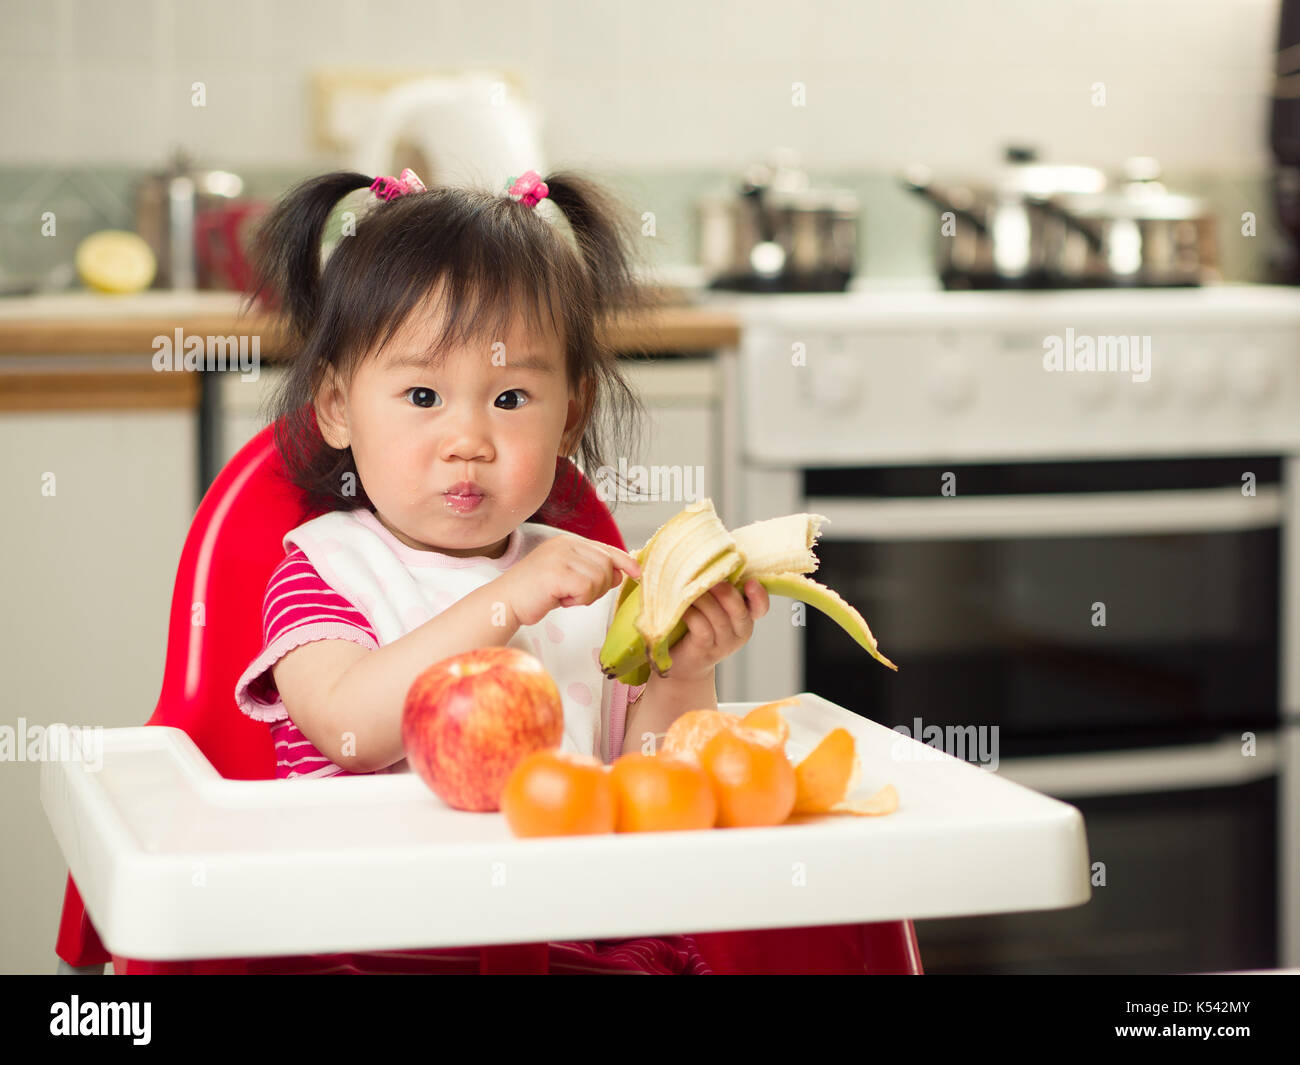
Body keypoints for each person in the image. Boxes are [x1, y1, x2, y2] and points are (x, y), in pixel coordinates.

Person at [232, 166, 770, 974]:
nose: (468, 439)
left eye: (511, 399)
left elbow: (651, 793)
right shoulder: (328, 571)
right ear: (337, 405)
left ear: (570, 416)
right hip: (384, 950)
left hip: (573, 945)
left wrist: (682, 675)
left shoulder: (589, 590)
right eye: (422, 395)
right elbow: (350, 726)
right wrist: (504, 601)